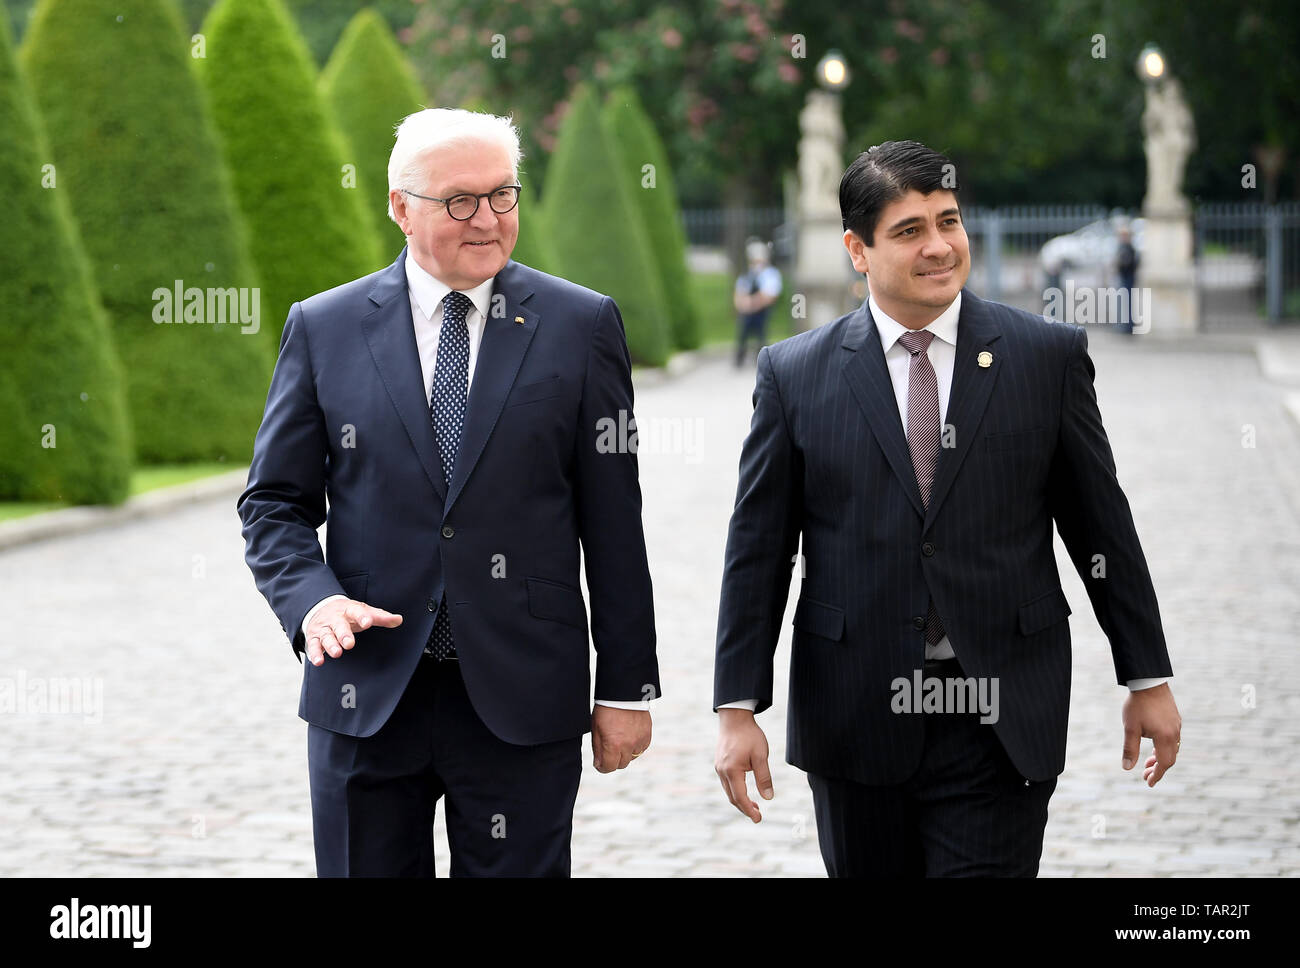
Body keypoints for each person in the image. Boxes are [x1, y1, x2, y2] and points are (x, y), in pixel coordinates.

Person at [712, 141, 1180, 877]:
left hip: (998, 715)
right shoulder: (794, 374)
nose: (938, 246)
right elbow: (759, 551)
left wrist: (1146, 678)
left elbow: (1101, 529)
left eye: (948, 221)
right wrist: (737, 707)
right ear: (857, 250)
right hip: (854, 714)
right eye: (909, 231)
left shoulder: (1044, 357)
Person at [237, 108, 660, 877]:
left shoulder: (582, 324)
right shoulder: (323, 327)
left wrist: (627, 685)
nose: (488, 219)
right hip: (367, 691)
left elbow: (613, 520)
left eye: (503, 195)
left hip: (523, 697)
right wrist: (312, 602)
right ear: (401, 208)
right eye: (460, 201)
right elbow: (273, 505)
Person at [733, 238, 782, 367]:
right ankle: (740, 357)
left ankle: (761, 359)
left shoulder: (771, 274)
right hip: (747, 311)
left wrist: (751, 304)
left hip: (761, 311)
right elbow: (740, 292)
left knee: (761, 335)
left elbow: (770, 295)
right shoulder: (747, 274)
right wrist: (743, 304)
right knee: (743, 334)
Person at [1115, 224, 1139, 334]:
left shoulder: (1128, 248)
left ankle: (1127, 327)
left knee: (1127, 304)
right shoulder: (1126, 247)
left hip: (1127, 278)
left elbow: (1127, 263)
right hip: (1125, 277)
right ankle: (1125, 326)